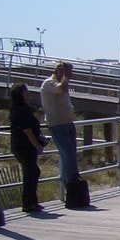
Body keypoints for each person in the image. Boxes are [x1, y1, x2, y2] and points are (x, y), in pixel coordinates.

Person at [40, 61, 79, 198]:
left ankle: (72, 185)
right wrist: (64, 76)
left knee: (71, 155)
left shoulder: (64, 82)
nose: (71, 75)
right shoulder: (49, 83)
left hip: (68, 122)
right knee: (68, 155)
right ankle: (70, 185)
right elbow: (61, 89)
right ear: (60, 71)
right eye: (69, 72)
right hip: (57, 124)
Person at [9, 83, 46, 212]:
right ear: (20, 95)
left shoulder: (17, 109)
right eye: (26, 92)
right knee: (30, 174)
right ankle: (28, 204)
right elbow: (27, 131)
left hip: (21, 145)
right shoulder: (22, 111)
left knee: (33, 172)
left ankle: (31, 202)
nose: (28, 94)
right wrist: (37, 146)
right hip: (25, 146)